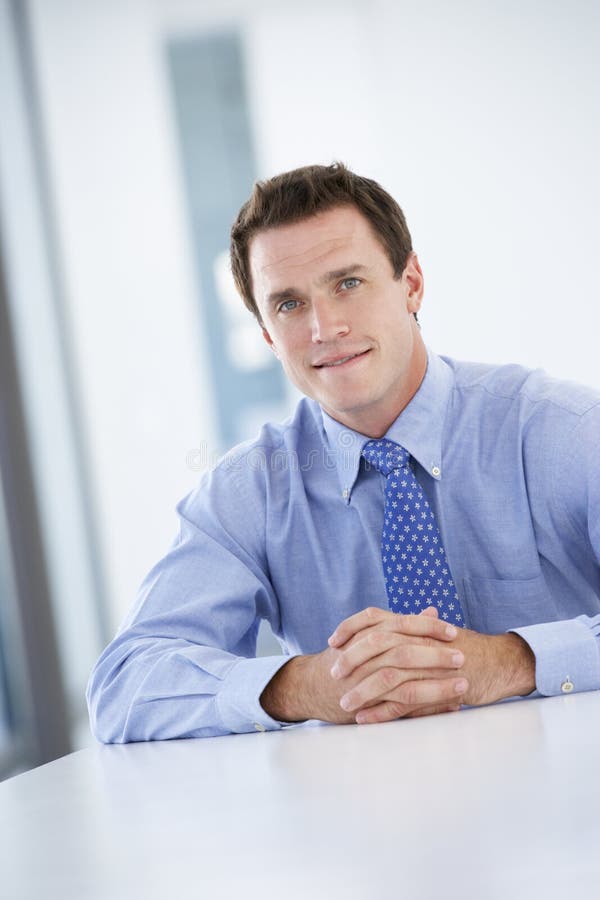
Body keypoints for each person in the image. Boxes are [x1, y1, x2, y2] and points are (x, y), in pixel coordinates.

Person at [87, 163, 600, 742]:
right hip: (365, 820)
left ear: (411, 284)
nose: (323, 328)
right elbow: (123, 687)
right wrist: (308, 684)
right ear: (265, 335)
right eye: (288, 304)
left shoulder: (564, 431)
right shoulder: (249, 491)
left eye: (347, 283)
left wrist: (507, 661)